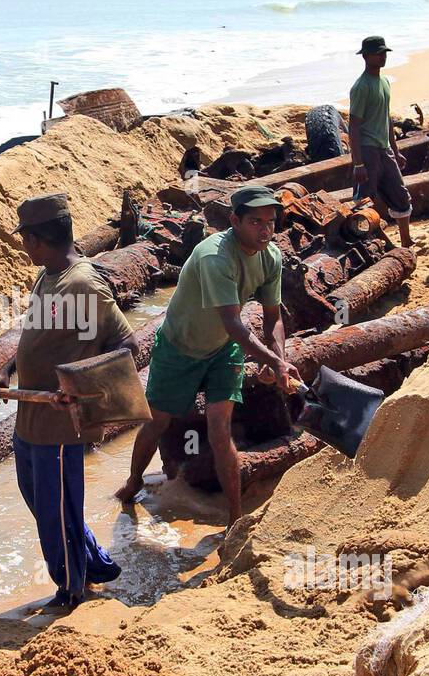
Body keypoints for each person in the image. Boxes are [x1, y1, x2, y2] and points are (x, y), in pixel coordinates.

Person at [0, 193, 136, 610]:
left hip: (60, 424)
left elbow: (126, 343)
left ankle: (71, 591)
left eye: (24, 239)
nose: (22, 246)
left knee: (56, 510)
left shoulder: (83, 283)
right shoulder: (48, 276)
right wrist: (6, 372)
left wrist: (80, 387)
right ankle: (93, 564)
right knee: (42, 502)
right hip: (30, 417)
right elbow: (35, 335)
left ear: (35, 239)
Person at [114, 187, 300, 523]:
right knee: (158, 422)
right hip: (179, 347)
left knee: (219, 428)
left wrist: (280, 361)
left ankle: (235, 517)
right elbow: (232, 322)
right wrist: (270, 362)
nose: (265, 230)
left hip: (221, 350)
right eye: (256, 221)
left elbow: (273, 319)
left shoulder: (270, 257)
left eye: (270, 223)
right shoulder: (216, 256)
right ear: (234, 221)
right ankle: (132, 482)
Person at [349, 35, 414, 246]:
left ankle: (406, 240)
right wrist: (358, 163)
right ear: (366, 57)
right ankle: (371, 245)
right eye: (378, 53)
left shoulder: (384, 82)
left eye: (384, 53)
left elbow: (386, 118)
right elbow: (354, 126)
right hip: (368, 150)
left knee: (400, 195)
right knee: (366, 201)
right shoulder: (361, 87)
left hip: (384, 148)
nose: (382, 57)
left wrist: (395, 150)